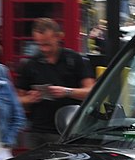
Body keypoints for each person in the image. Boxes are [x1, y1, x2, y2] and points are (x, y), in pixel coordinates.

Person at [15, 17, 95, 148]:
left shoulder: (75, 60)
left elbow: (91, 92)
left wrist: (67, 92)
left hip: (69, 129)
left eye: (47, 44)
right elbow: (18, 100)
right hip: (37, 131)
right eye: (39, 44)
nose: (44, 49)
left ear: (58, 37)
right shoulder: (30, 64)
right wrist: (30, 99)